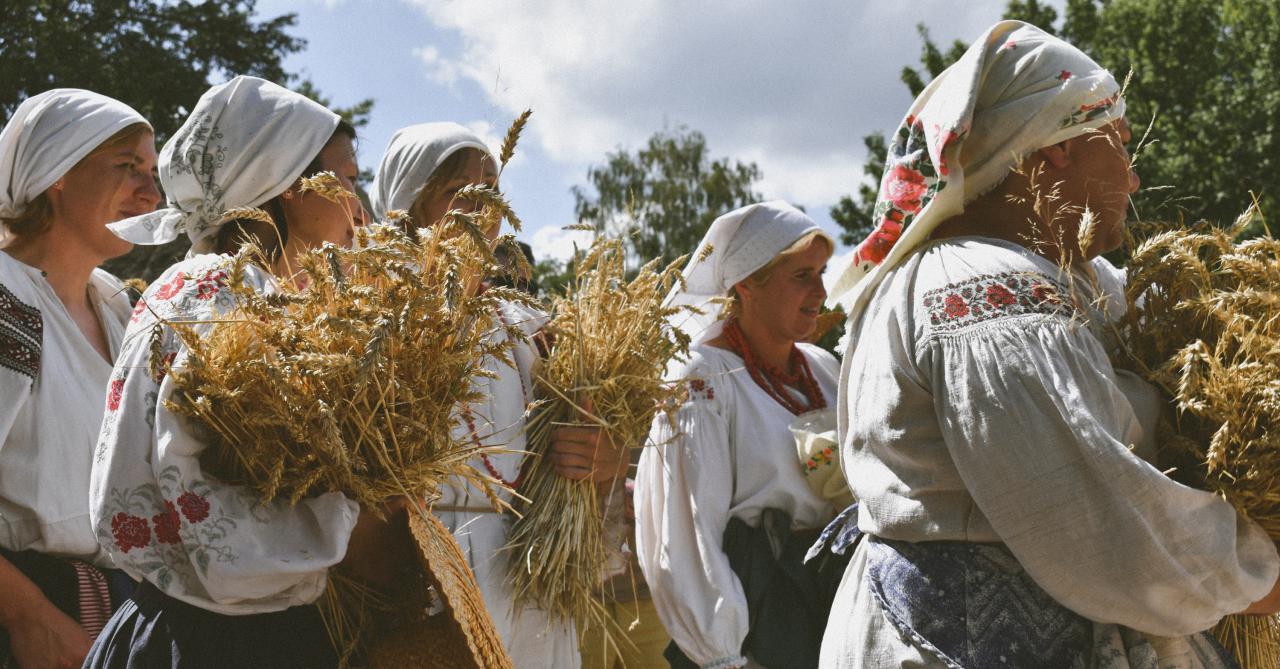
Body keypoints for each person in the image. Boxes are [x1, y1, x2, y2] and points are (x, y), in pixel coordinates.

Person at [816, 20, 1280, 668]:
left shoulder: (1062, 276)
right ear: (1057, 147)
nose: (1135, 179)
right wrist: (1258, 571)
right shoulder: (980, 286)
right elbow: (1102, 522)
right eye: (1119, 142)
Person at [82, 76, 406, 669]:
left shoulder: (245, 291)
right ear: (287, 183)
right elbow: (228, 507)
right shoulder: (220, 292)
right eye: (349, 180)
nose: (362, 208)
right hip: (219, 642)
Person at [370, 121, 629, 669]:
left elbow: (591, 451)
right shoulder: (366, 322)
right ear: (408, 206)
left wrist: (605, 462)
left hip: (529, 576)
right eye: (457, 190)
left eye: (493, 185)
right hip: (422, 581)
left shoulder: (532, 327)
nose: (483, 204)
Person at [635, 200, 845, 669]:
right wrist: (723, 651)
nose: (821, 292)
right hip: (757, 614)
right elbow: (687, 529)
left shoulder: (824, 369)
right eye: (802, 276)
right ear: (747, 283)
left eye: (822, 273)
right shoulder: (701, 379)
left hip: (828, 596)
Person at [0, 88, 157, 669]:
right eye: (127, 167)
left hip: (116, 615)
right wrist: (29, 615)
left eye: (153, 172)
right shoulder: (2, 295)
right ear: (56, 171)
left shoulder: (121, 310)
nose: (150, 192)